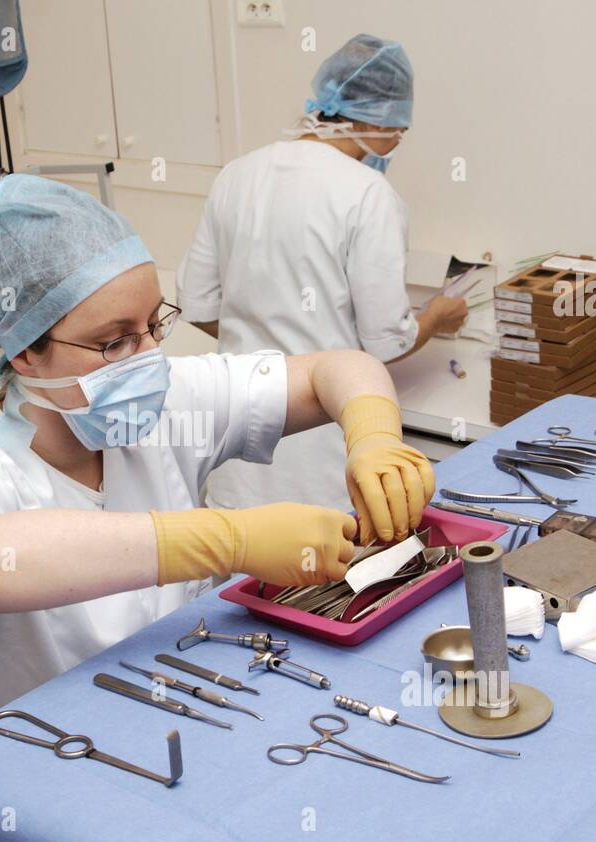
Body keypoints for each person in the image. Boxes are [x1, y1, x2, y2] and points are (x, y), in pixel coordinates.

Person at [0, 174, 435, 751]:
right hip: (20, 761)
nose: (149, 358)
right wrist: (228, 539)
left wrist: (373, 436)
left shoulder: (163, 404)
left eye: (153, 325)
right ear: (23, 348)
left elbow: (335, 369)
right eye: (115, 341)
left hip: (174, 719)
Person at [177, 34, 467, 512]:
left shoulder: (237, 174)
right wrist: (435, 317)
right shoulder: (368, 195)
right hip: (320, 468)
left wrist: (266, 350)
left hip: (234, 457)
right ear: (371, 119)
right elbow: (385, 345)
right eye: (398, 129)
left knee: (234, 583)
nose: (396, 142)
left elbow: (197, 303)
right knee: (323, 581)